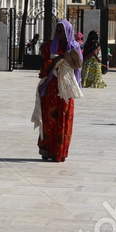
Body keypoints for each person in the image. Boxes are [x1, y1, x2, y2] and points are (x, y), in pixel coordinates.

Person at [34, 20, 84, 162]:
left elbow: (78, 67)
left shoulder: (74, 46)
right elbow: (43, 69)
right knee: (49, 119)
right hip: (51, 88)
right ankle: (47, 150)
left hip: (66, 90)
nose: (59, 34)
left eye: (62, 31)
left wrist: (68, 58)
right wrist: (56, 61)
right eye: (58, 30)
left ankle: (59, 151)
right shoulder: (49, 46)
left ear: (68, 31)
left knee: (64, 118)